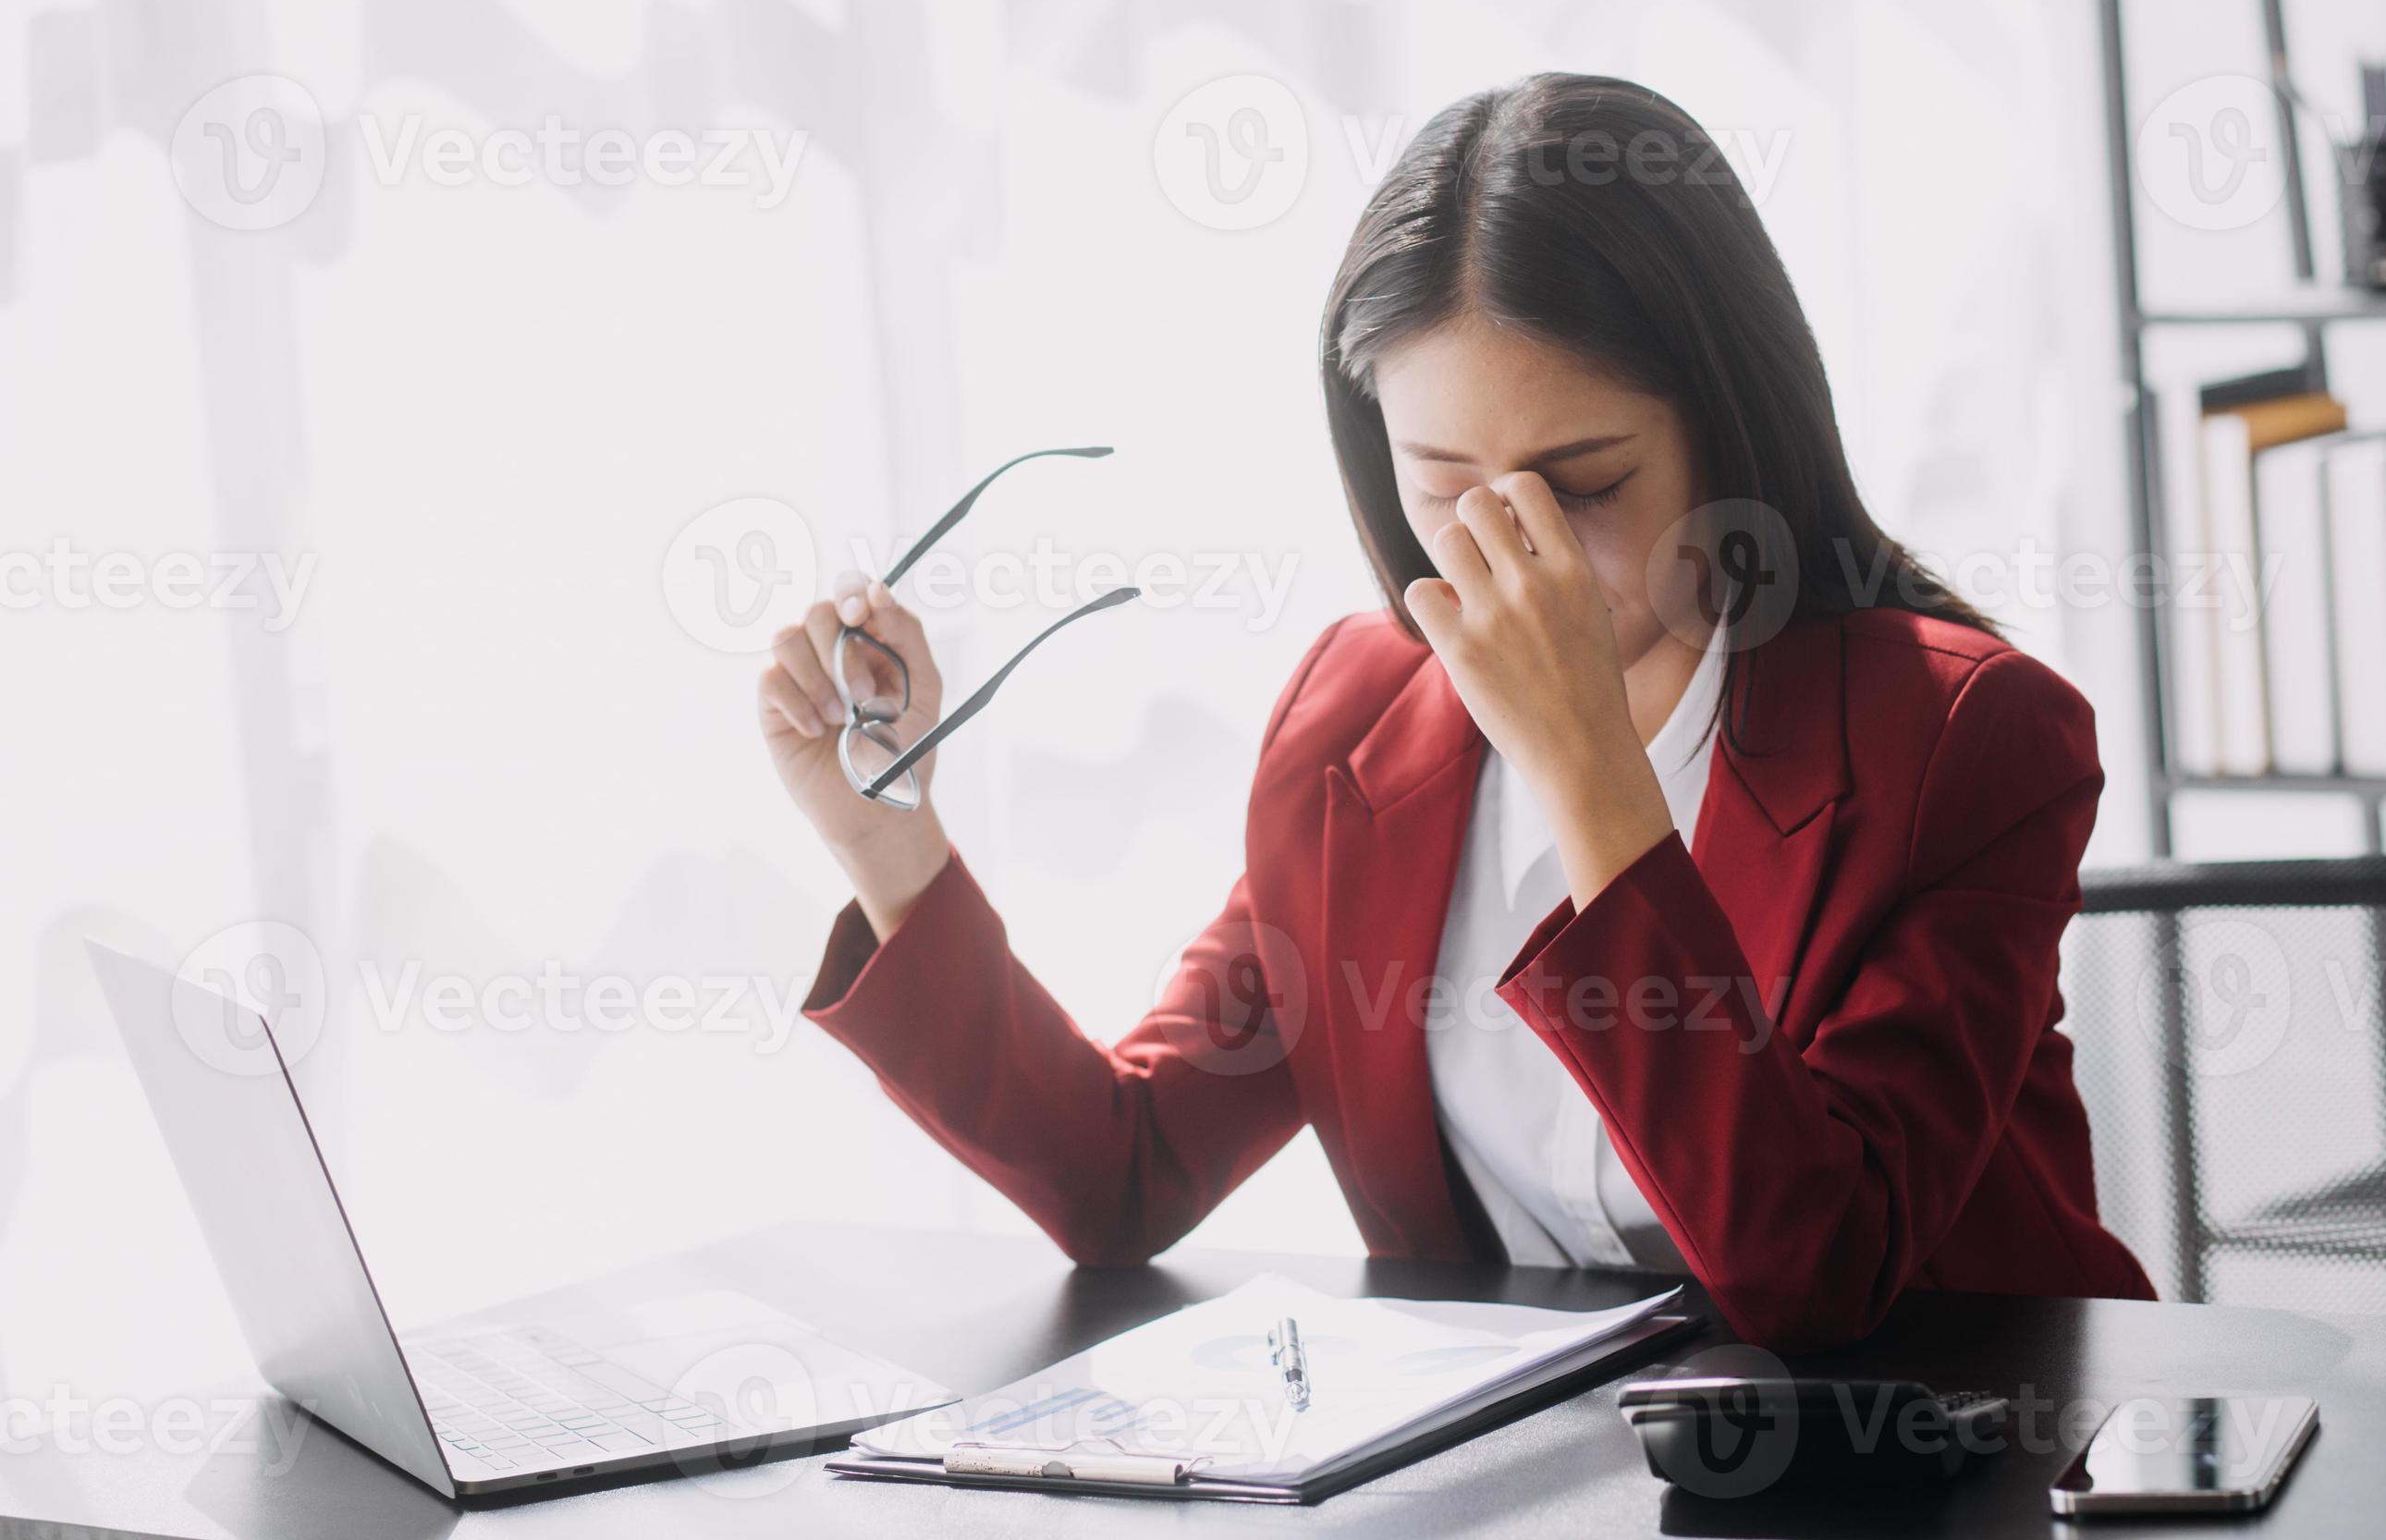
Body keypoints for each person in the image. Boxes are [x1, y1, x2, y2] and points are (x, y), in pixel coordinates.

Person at [758, 73, 2154, 1348]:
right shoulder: (1354, 721)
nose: (1508, 552)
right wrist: (891, 851)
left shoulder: (1966, 742)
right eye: (1443, 485)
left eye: (1587, 485)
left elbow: (1819, 1271)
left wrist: (1587, 773)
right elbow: (1124, 1172)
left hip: (1946, 1466)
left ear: (1727, 428)